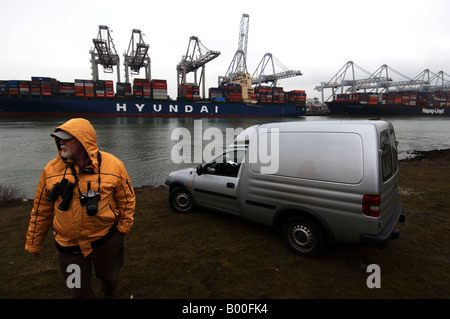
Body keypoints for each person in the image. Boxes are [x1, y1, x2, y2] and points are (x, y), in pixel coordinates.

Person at [25, 118, 135, 298]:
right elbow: (40, 209)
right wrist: (33, 242)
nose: (61, 142)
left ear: (84, 141)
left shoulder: (114, 165)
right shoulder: (50, 170)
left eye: (67, 139)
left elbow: (127, 199)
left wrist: (122, 228)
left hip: (106, 242)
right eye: (59, 138)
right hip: (68, 248)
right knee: (77, 293)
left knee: (110, 279)